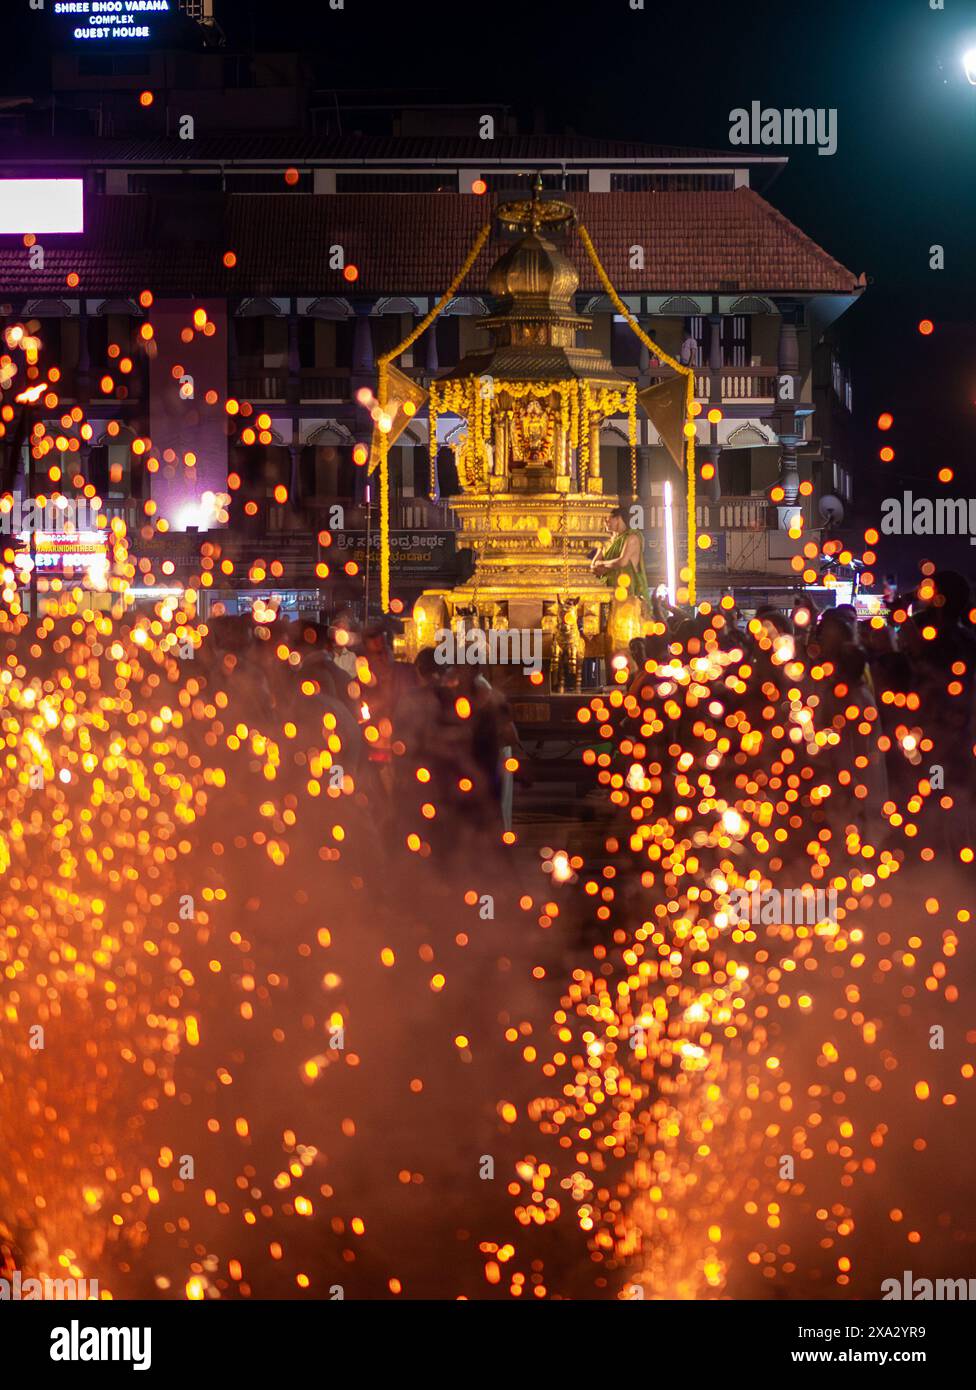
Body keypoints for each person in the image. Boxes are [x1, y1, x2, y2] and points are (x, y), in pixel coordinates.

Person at [591, 506, 650, 604]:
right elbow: (593, 566)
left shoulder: (632, 538)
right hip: (608, 592)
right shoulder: (606, 543)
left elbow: (622, 562)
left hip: (627, 591)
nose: (605, 522)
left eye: (607, 519)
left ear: (618, 518)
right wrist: (609, 565)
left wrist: (602, 563)